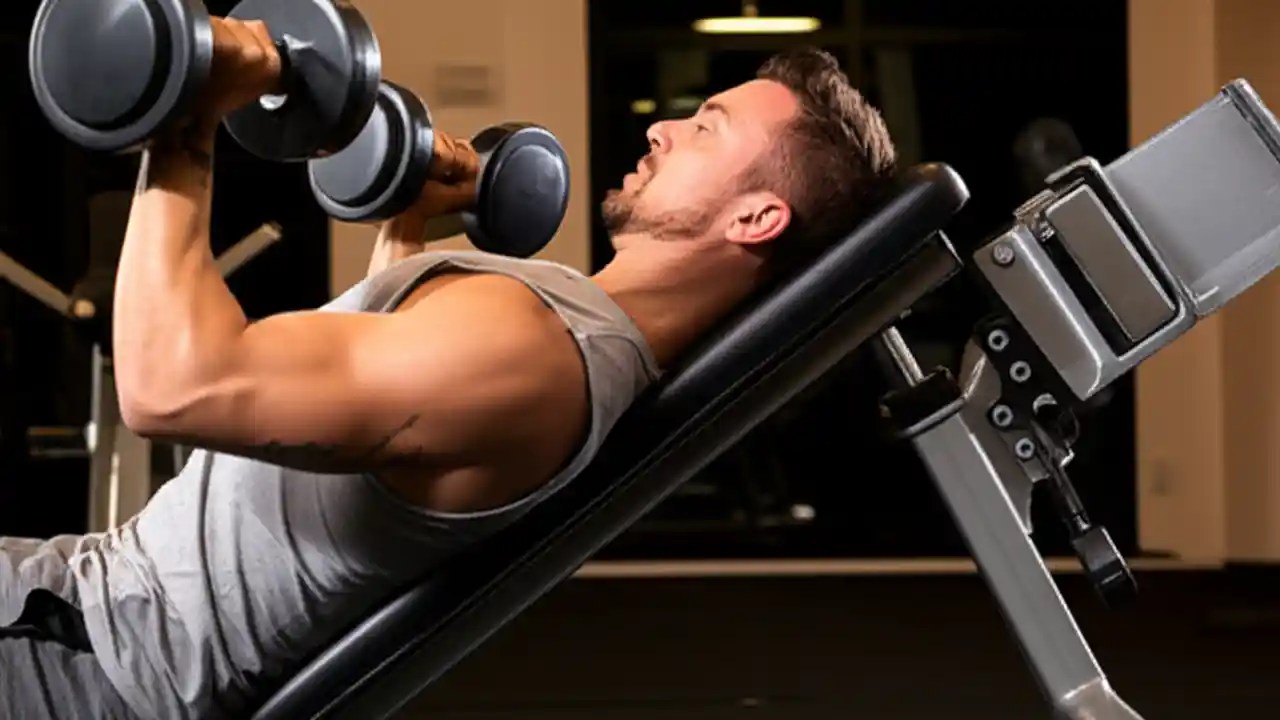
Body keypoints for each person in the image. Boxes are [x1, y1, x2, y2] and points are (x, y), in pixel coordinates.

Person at [0, 18, 897, 720]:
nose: (663, 126)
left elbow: (170, 386)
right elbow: (383, 419)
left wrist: (190, 110)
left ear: (755, 220)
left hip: (83, 656)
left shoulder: (528, 349)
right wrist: (404, 234)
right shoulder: (558, 332)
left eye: (707, 128)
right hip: (81, 603)